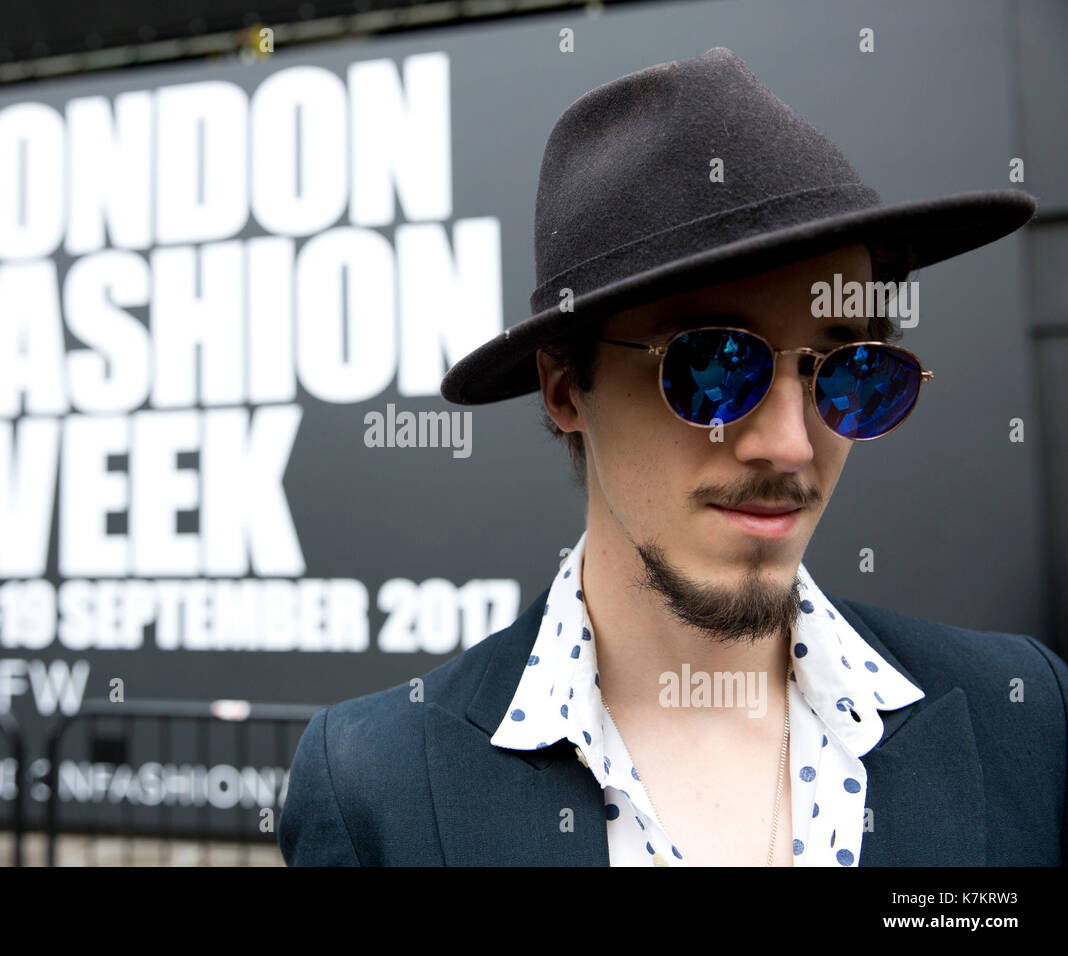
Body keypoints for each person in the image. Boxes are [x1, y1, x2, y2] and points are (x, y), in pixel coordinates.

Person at [277, 46, 1066, 866]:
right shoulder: (380, 786)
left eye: (851, 372)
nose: (790, 444)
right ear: (565, 388)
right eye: (715, 367)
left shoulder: (1024, 720)